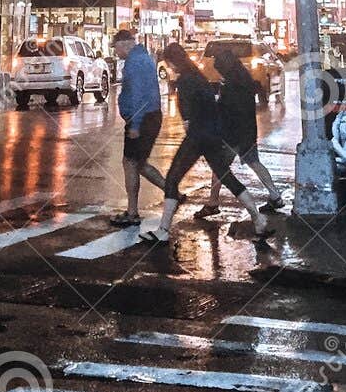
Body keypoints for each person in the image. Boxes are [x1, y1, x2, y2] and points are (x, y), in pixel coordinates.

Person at [139, 43, 272, 247]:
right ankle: (258, 219)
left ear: (172, 62)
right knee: (227, 177)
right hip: (213, 136)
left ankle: (163, 230)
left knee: (172, 178)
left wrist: (191, 134)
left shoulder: (185, 81)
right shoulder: (199, 76)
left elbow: (188, 118)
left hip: (197, 136)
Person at [197, 45, 284, 217]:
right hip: (247, 131)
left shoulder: (231, 84)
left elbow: (227, 109)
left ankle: (213, 202)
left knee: (219, 166)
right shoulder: (243, 78)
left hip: (233, 135)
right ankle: (275, 196)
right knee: (254, 163)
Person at [108, 29, 166, 227]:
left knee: (131, 163)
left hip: (142, 118)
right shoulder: (143, 58)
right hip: (148, 116)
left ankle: (133, 212)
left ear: (124, 44)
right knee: (138, 163)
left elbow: (139, 95)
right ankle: (171, 192)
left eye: (116, 48)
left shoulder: (135, 62)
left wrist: (135, 124)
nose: (116, 53)